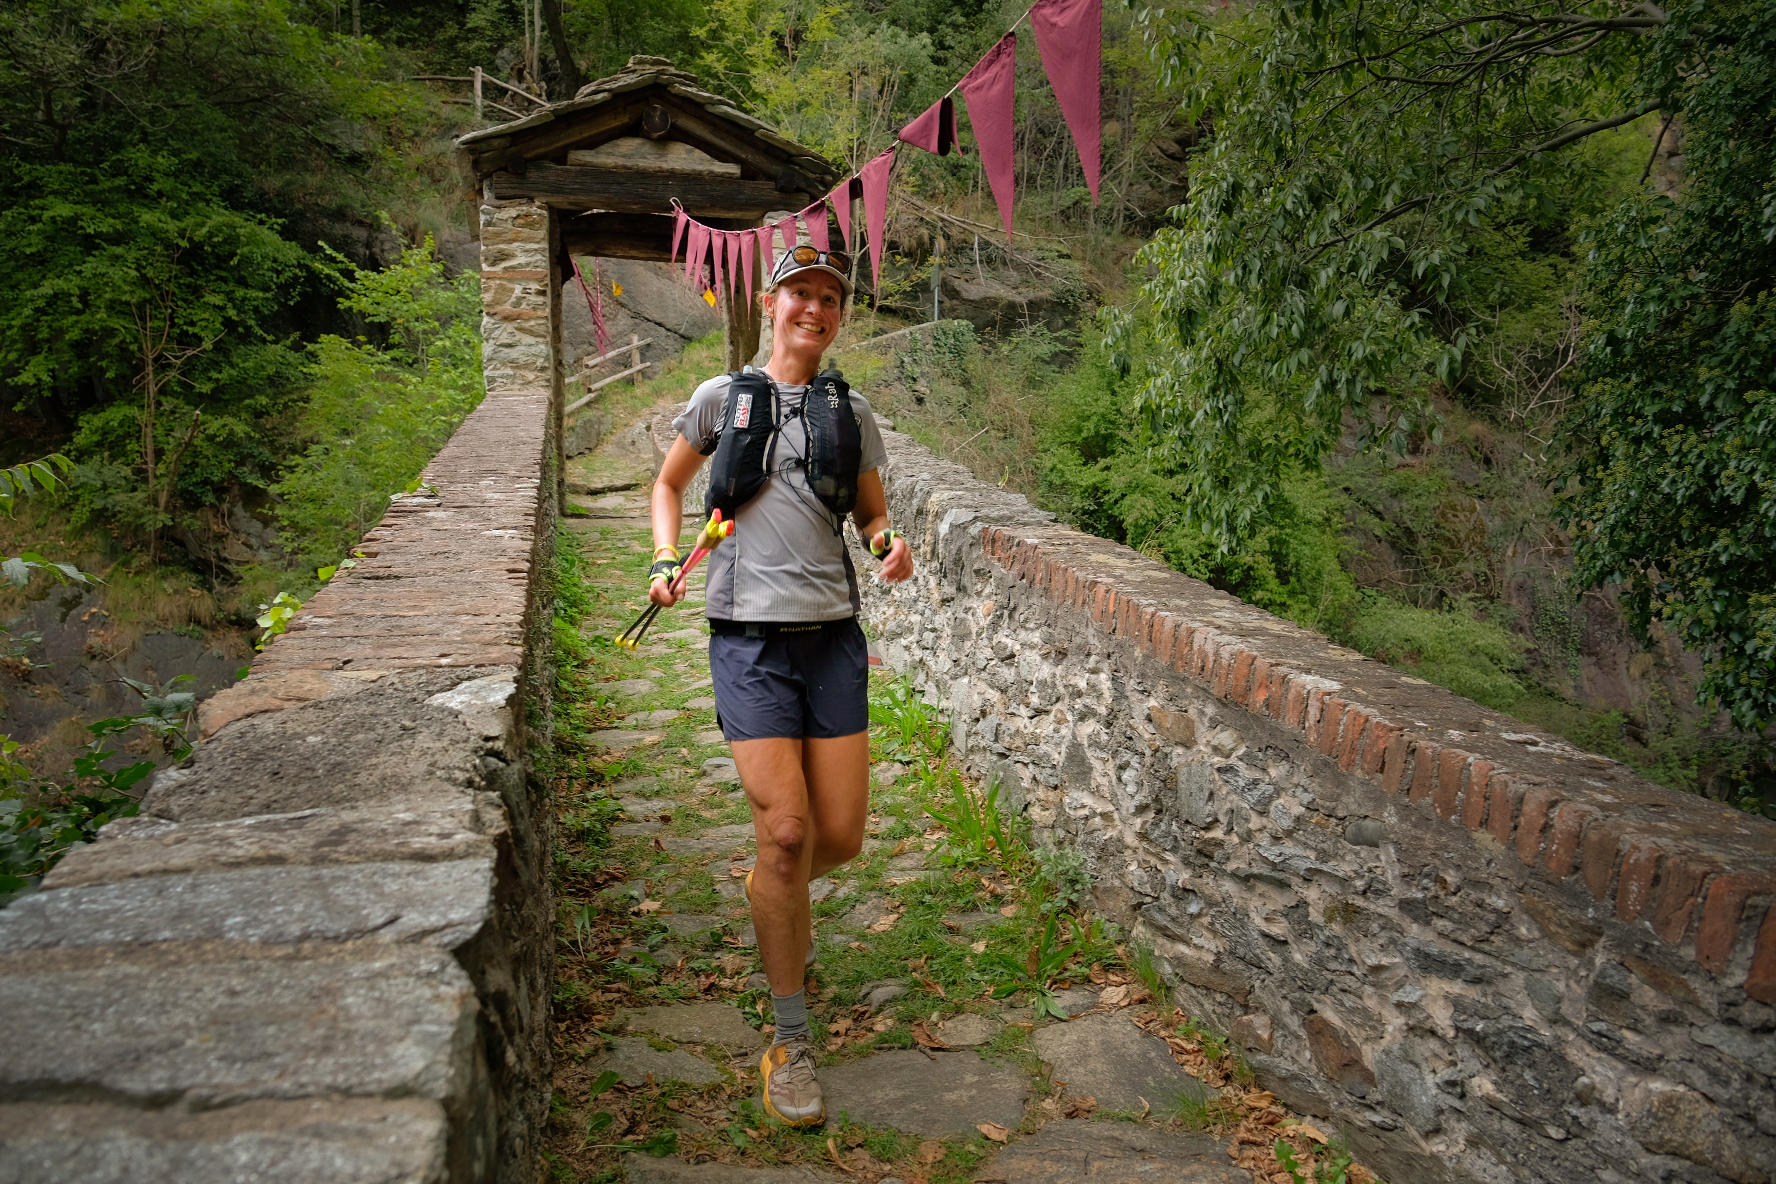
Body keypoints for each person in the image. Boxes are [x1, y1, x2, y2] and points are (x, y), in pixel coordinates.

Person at [647, 244, 913, 1127]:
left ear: (839, 315)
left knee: (839, 838)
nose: (816, 307)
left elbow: (871, 513)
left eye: (830, 297)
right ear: (771, 303)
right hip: (748, 639)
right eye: (801, 291)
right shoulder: (721, 401)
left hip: (832, 639)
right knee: (790, 831)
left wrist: (887, 546)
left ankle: (775, 895)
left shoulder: (852, 411)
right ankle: (790, 1040)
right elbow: (668, 484)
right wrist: (662, 558)